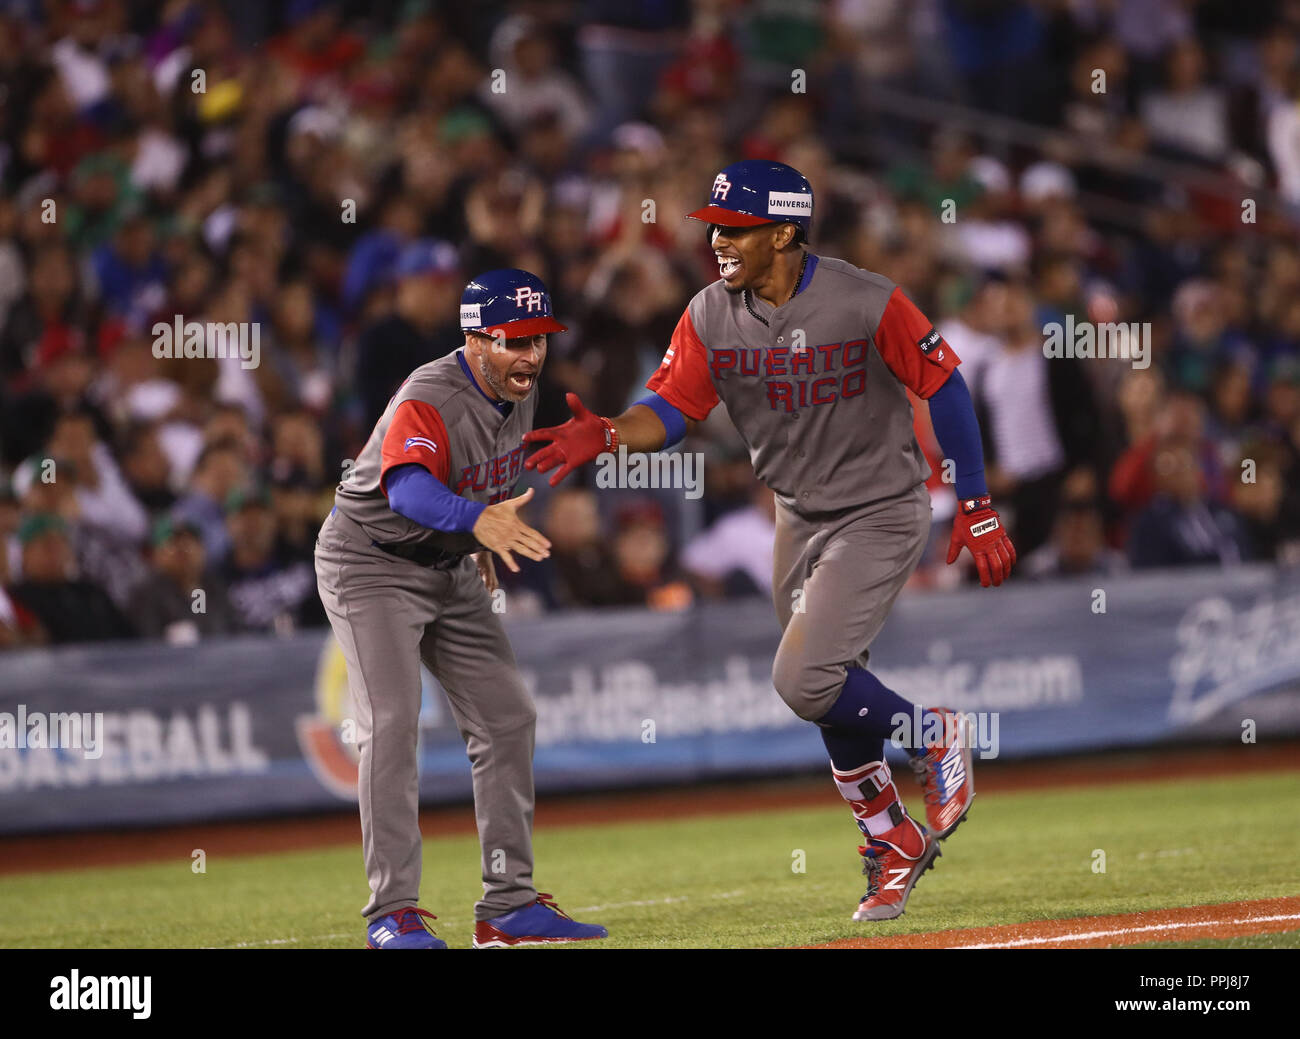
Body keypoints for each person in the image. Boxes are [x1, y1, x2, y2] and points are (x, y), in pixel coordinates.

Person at [523, 161, 1017, 922]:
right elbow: (673, 408)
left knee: (802, 677)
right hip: (796, 514)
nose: (718, 239)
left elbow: (944, 383)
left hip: (880, 508)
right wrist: (612, 433)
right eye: (715, 225)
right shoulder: (709, 312)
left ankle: (935, 732)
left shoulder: (863, 297)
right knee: (830, 690)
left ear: (784, 230)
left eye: (735, 226)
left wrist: (977, 503)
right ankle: (892, 840)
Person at [314, 268, 607, 949]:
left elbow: (478, 481)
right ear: (475, 340)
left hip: (449, 566)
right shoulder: (430, 392)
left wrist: (472, 535)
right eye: (515, 341)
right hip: (371, 560)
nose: (531, 355)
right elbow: (408, 490)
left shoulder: (519, 391)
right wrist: (476, 522)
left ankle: (507, 905)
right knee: (390, 722)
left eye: (540, 339)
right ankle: (391, 913)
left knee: (509, 717)